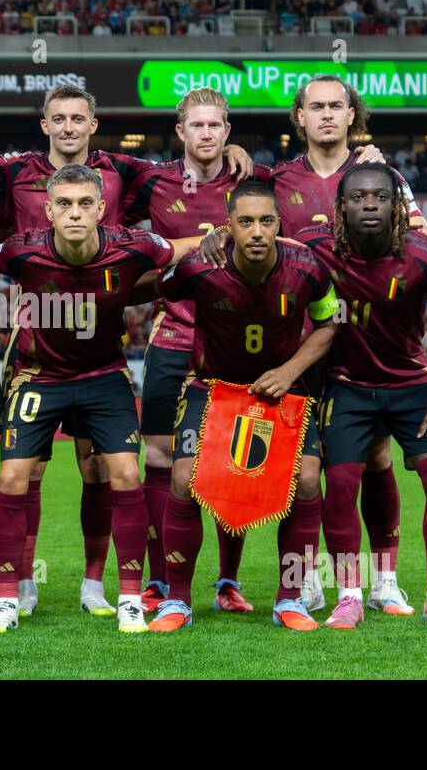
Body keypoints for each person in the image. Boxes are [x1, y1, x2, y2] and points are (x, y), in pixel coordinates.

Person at [199, 74, 427, 617]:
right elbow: (238, 225)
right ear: (298, 118)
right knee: (292, 468)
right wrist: (229, 160)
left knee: (373, 459)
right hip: (297, 342)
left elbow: (425, 243)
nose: (327, 114)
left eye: (337, 106)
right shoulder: (275, 179)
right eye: (316, 107)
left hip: (366, 341)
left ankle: (383, 580)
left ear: (353, 115)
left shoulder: (382, 175)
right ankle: (302, 582)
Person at [0, 163, 203, 635]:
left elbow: (181, 248)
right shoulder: (20, 252)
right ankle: (5, 601)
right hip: (39, 376)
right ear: (48, 210)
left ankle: (128, 599)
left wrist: (225, 233)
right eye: (64, 204)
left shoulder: (133, 245)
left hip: (103, 377)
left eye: (84, 204)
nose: (75, 213)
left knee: (124, 474)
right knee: (13, 476)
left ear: (101, 209)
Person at [147, 179, 338, 633]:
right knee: (181, 474)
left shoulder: (309, 268)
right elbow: (159, 288)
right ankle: (177, 601)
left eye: (266, 221)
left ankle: (290, 600)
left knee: (308, 480)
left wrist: (291, 371)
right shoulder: (201, 267)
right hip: (212, 387)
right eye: (245, 221)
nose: (256, 231)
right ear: (227, 225)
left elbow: (330, 325)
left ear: (279, 225)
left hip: (282, 390)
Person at [301, 163, 427, 629]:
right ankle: (349, 596)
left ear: (397, 205)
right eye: (358, 198)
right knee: (338, 486)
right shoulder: (315, 249)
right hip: (346, 387)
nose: (370, 204)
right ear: (340, 208)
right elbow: (263, 250)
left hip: (411, 386)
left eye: (380, 196)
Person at [122, 87, 263, 614]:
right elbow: (98, 173)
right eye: (196, 125)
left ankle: (228, 582)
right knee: (159, 457)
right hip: (173, 340)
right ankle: (160, 581)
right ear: (180, 132)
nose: (206, 133)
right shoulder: (153, 184)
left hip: (233, 347)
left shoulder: (253, 183)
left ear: (228, 132)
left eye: (215, 125)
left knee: (233, 464)